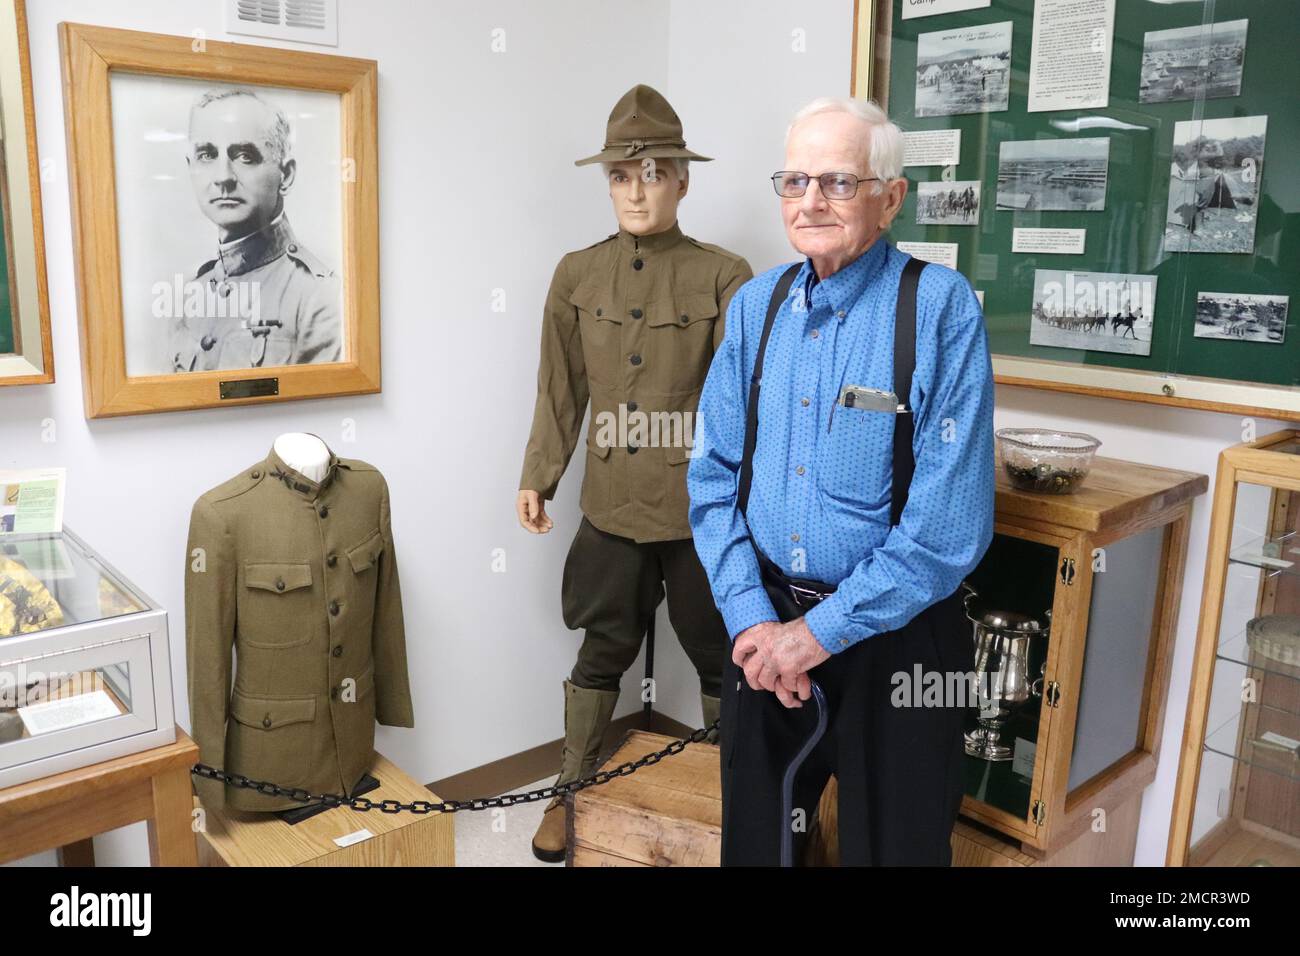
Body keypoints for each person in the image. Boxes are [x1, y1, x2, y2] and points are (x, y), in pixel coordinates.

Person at [688, 97, 994, 865]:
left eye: (838, 182)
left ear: (890, 198)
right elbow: (712, 478)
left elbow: (948, 528)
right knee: (761, 848)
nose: (811, 201)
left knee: (894, 850)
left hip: (897, 638)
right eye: (794, 181)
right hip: (763, 629)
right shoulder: (754, 307)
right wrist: (754, 622)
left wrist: (817, 636)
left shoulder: (939, 308)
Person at [517, 84, 752, 862]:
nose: (636, 190)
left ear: (683, 179)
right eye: (621, 175)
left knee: (720, 655)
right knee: (600, 651)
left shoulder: (726, 277)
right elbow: (560, 389)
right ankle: (569, 791)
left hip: (699, 513)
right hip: (611, 505)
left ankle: (732, 796)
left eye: (653, 173)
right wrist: (539, 476)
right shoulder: (577, 274)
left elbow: (744, 408)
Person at [169, 88, 341, 373]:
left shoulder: (319, 297)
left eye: (245, 156)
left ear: (285, 176)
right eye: (207, 155)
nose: (223, 176)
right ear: (191, 168)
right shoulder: (191, 294)